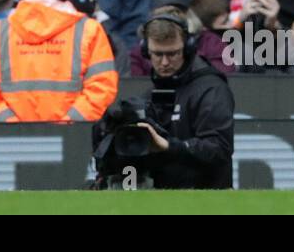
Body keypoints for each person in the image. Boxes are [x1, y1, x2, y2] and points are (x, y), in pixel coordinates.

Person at [90, 13, 234, 188]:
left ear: (187, 48)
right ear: (145, 51)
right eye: (157, 54)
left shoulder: (211, 88)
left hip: (206, 198)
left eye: (172, 53)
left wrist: (169, 146)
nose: (164, 62)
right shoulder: (149, 95)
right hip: (163, 198)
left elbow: (219, 149)